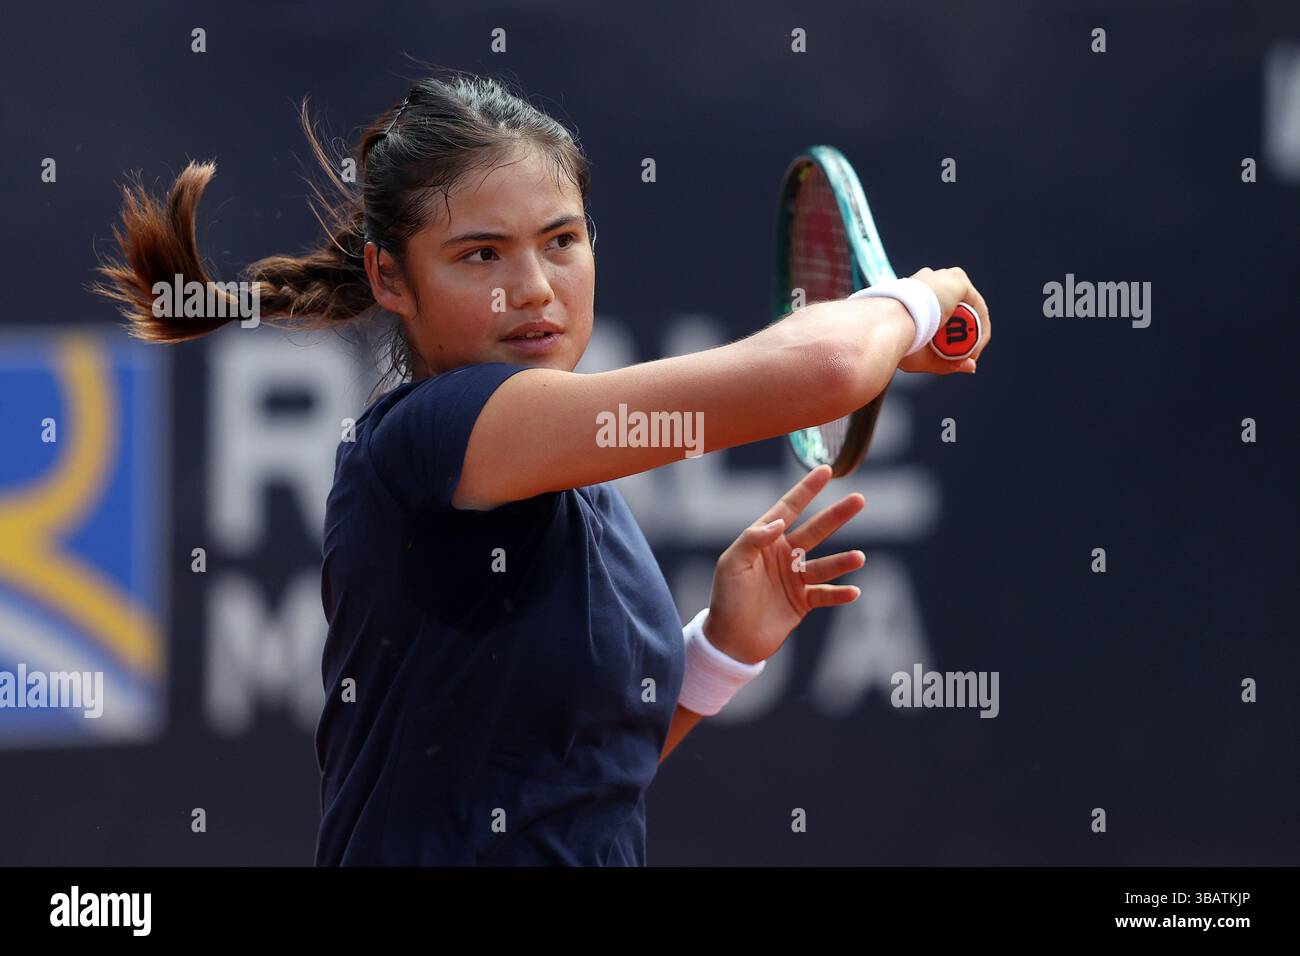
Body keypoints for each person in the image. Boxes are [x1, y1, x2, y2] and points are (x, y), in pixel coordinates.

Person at [93, 69, 991, 865]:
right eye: (481, 254)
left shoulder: (568, 479)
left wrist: (719, 649)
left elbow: (563, 778)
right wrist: (918, 299)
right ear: (391, 277)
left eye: (561, 240)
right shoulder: (435, 431)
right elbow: (830, 370)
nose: (533, 286)